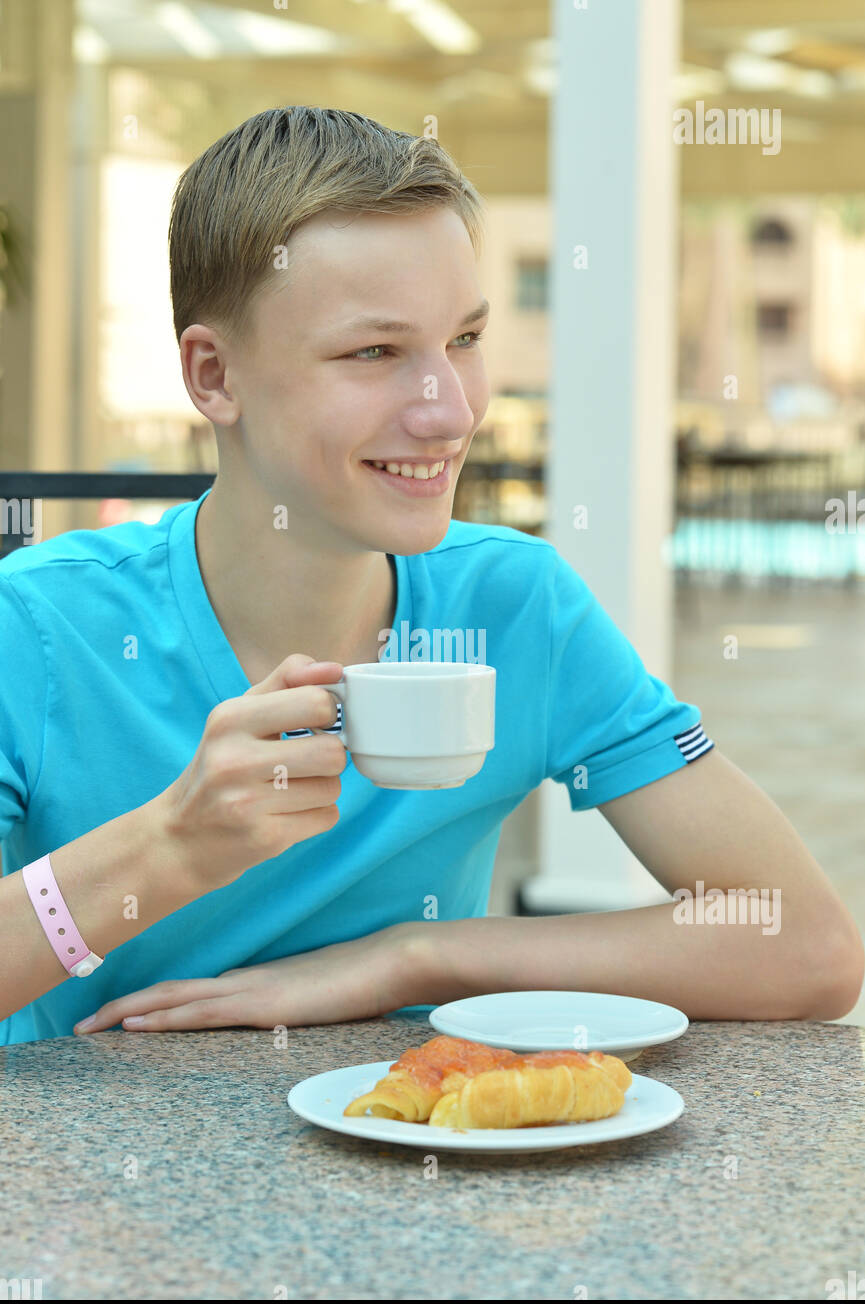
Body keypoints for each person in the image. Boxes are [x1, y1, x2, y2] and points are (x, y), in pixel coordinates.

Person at [0, 107, 860, 1046]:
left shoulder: (514, 606)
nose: (448, 413)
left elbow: (805, 944)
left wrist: (409, 959)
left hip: (410, 1152)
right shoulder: (40, 628)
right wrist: (169, 846)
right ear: (214, 376)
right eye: (374, 352)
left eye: (463, 340)